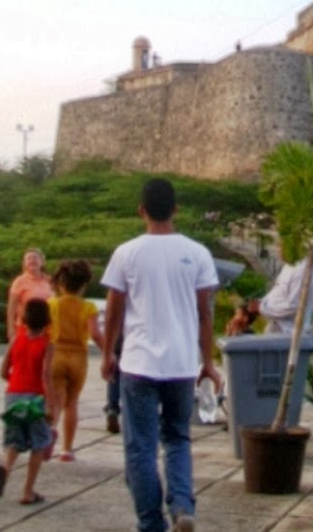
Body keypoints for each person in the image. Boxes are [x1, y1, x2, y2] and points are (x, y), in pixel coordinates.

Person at [100, 178, 221, 532]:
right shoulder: (198, 253)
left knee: (140, 448)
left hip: (137, 364)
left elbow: (114, 311)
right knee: (177, 438)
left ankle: (151, 523)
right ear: (176, 209)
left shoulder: (127, 253)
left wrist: (108, 354)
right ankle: (182, 504)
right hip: (181, 365)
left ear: (141, 210)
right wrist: (208, 362)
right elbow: (205, 313)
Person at [0, 298, 54, 505]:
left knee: (14, 441)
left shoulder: (16, 339)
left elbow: (2, 371)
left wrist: (16, 384)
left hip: (13, 395)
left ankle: (5, 469)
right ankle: (27, 491)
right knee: (39, 443)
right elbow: (46, 375)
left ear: (24, 318)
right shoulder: (48, 344)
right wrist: (50, 403)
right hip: (35, 398)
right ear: (47, 320)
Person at [48, 259, 105, 462]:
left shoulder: (52, 304)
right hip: (78, 357)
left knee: (54, 401)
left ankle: (49, 432)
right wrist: (109, 354)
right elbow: (96, 334)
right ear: (83, 285)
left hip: (55, 354)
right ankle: (67, 449)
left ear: (61, 284)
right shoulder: (88, 307)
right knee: (71, 403)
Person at [250, 255, 313, 334]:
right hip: (277, 327)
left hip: (288, 332)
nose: (278, 250)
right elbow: (278, 291)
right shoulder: (290, 267)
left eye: (281, 245)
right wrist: (261, 303)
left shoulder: (301, 271)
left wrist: (262, 308)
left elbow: (293, 306)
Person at [6, 248, 53, 341]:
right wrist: (11, 331)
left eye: (35, 258)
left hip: (47, 328)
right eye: (29, 258)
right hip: (26, 328)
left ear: (42, 262)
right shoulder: (19, 281)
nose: (32, 260)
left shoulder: (50, 281)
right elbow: (11, 309)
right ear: (24, 263)